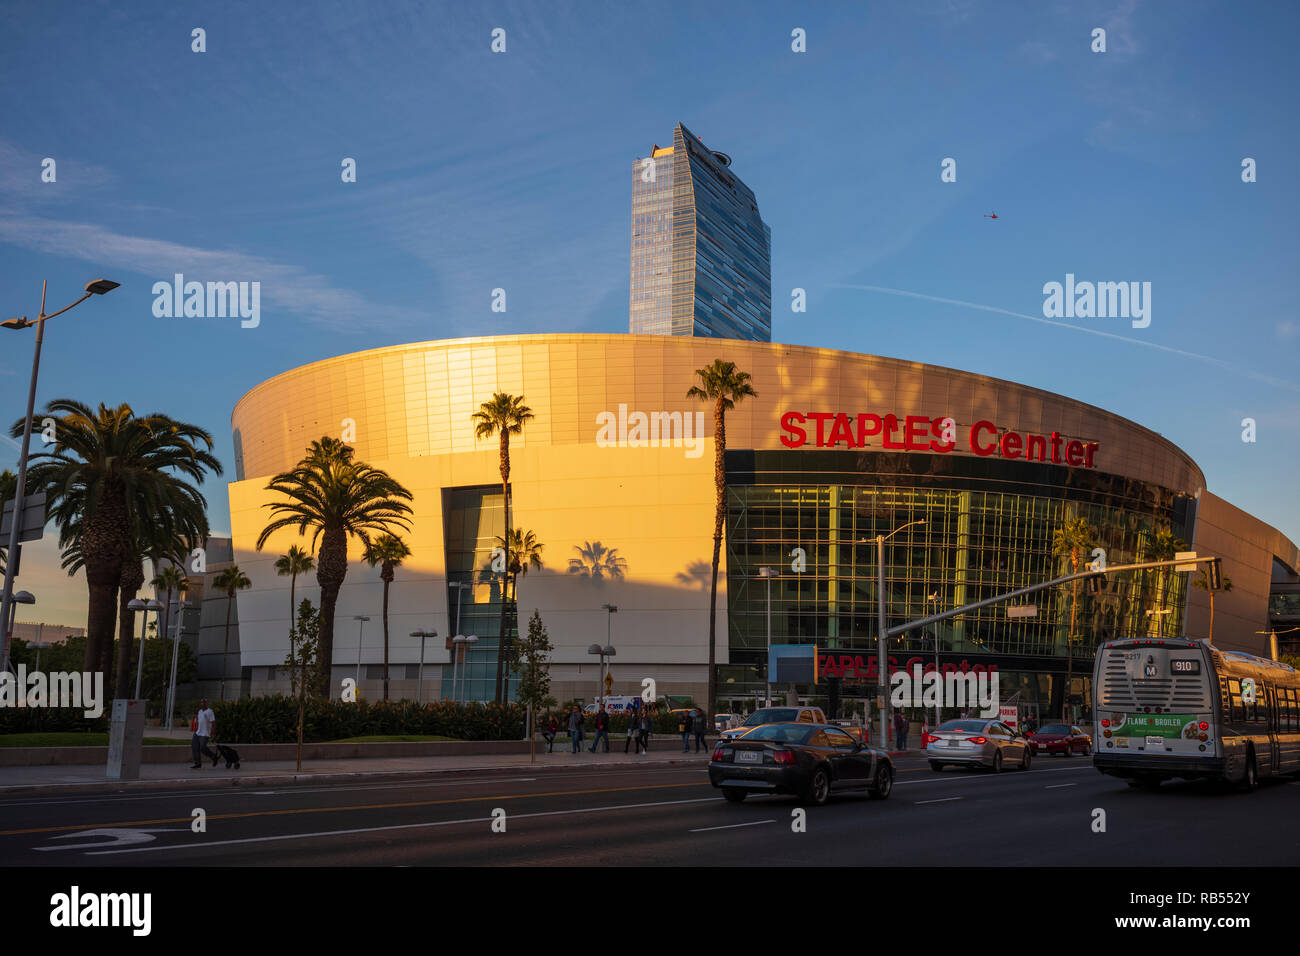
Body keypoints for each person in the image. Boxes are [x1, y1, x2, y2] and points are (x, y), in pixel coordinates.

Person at [191, 698, 218, 769]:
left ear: (207, 703)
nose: (203, 704)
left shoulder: (210, 711)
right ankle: (198, 763)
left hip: (205, 733)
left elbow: (213, 723)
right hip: (198, 733)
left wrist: (213, 733)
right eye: (202, 702)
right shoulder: (200, 711)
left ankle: (213, 757)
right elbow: (199, 721)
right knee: (195, 747)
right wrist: (196, 729)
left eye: (204, 702)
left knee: (202, 748)